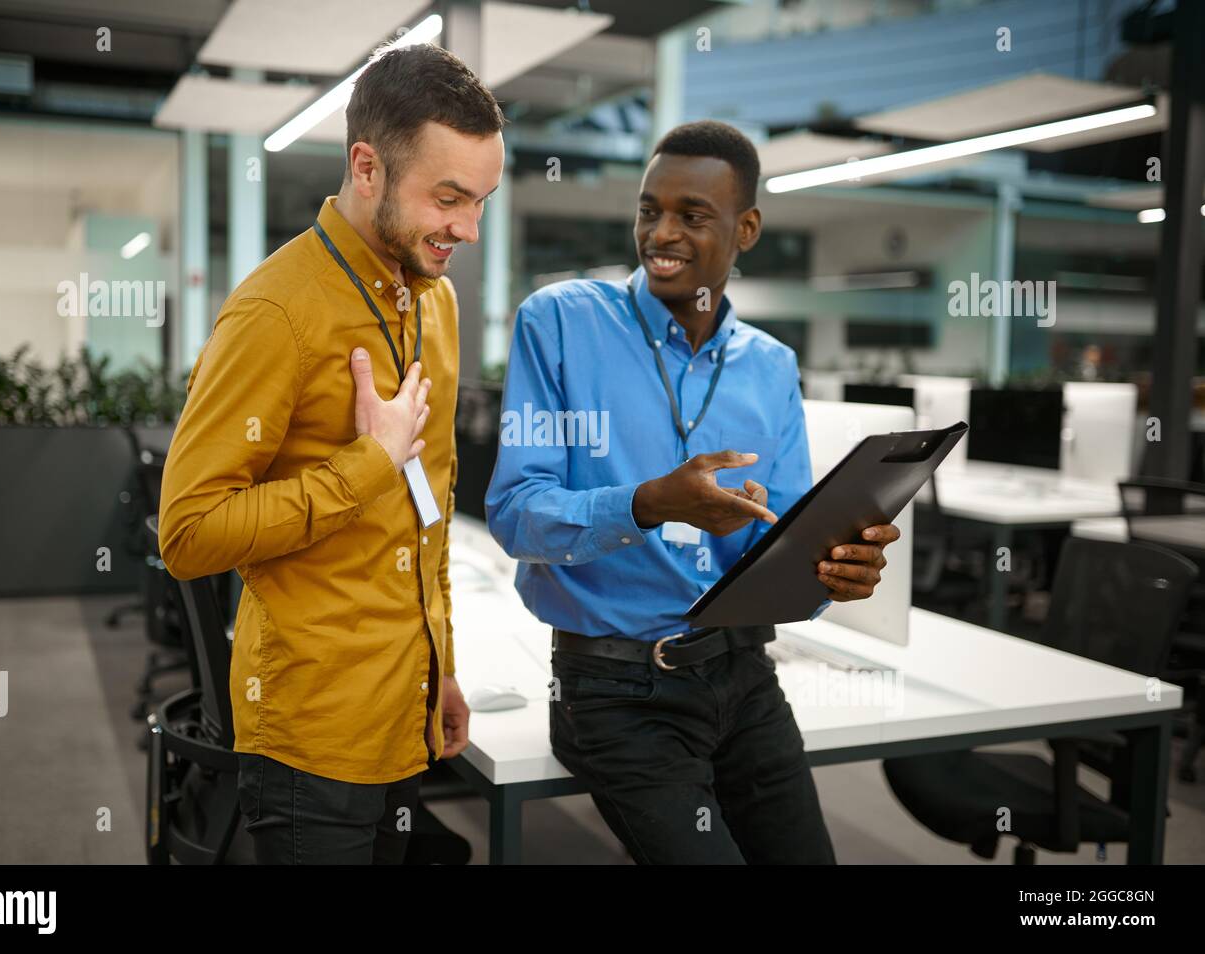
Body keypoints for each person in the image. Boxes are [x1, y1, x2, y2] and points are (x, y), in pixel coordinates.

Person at [485, 120, 899, 864]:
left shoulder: (770, 366)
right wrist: (649, 502)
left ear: (746, 229)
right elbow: (515, 514)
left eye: (691, 214)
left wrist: (834, 570)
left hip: (743, 675)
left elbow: (774, 546)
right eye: (649, 210)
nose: (660, 233)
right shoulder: (561, 323)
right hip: (613, 689)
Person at [158, 44, 505, 864]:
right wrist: (363, 467)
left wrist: (441, 665)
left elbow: (433, 504)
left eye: (482, 202)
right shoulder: (276, 312)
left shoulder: (436, 302)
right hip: (309, 734)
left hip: (403, 708)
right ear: (367, 167)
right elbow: (186, 533)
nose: (468, 228)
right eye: (449, 198)